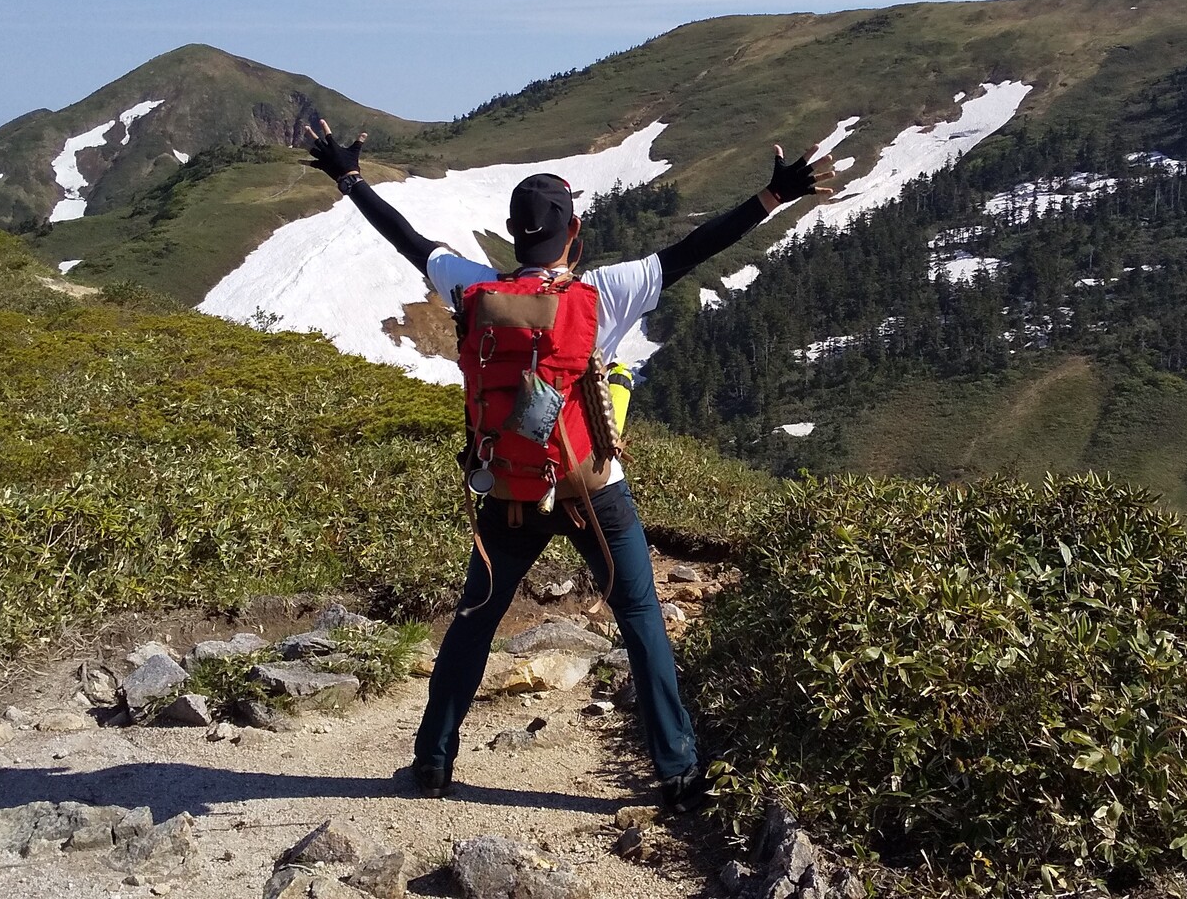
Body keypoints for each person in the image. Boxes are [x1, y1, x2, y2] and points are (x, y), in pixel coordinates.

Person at [303, 120, 834, 810]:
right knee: (639, 614)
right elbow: (696, 248)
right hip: (593, 488)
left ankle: (432, 761)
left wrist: (348, 178)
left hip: (509, 490)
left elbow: (407, 240)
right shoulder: (606, 292)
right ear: (573, 232)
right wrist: (773, 195)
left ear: (512, 233)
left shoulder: (472, 288)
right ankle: (677, 772)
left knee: (475, 620)